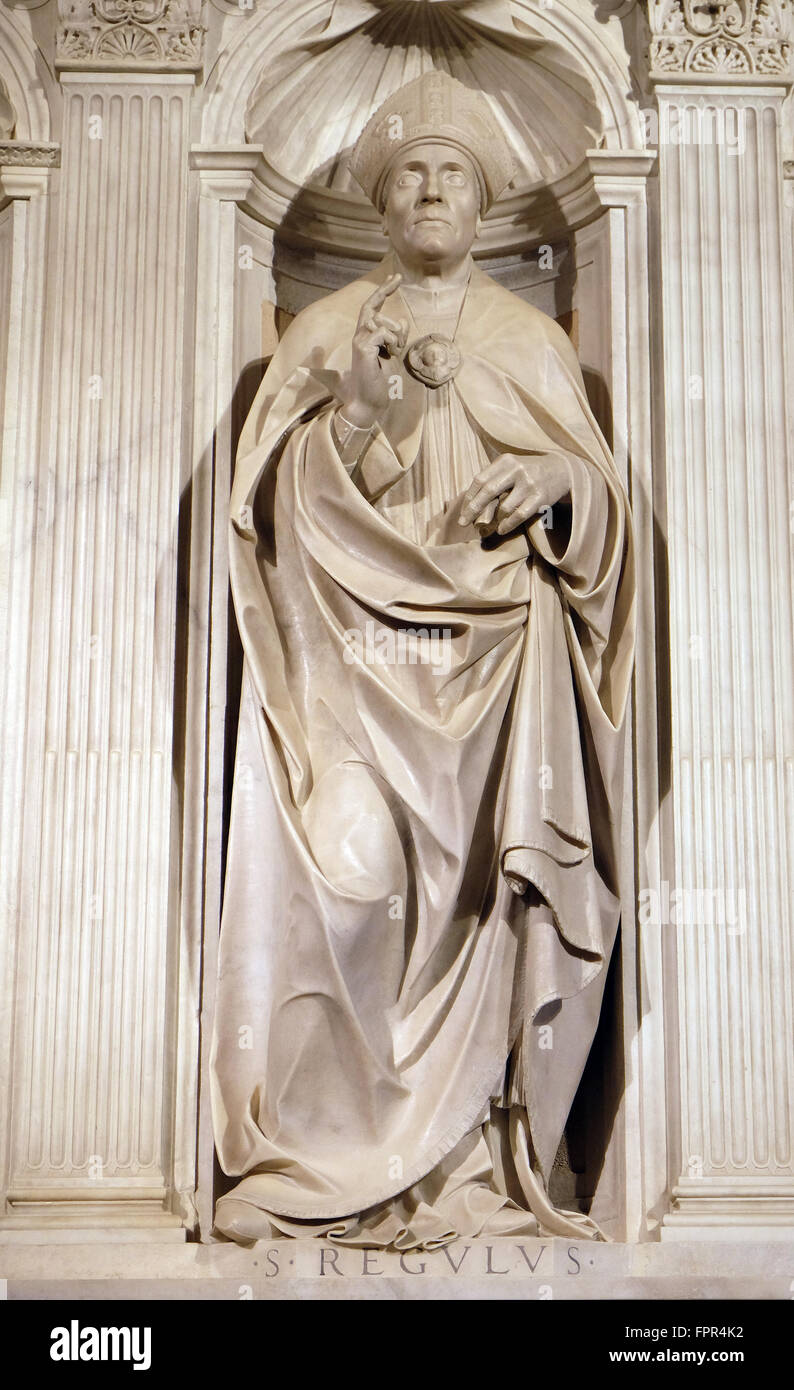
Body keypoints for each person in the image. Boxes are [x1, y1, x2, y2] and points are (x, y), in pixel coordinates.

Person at [210, 70, 635, 1249]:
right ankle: (336, 1150)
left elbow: (598, 505)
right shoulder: (322, 330)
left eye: (450, 172)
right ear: (383, 205)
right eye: (411, 174)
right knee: (347, 884)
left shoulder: (519, 338)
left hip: (499, 674)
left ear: (480, 205)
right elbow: (266, 509)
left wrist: (556, 484)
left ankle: (480, 1160)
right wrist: (346, 420)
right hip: (353, 663)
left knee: (496, 898)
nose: (432, 188)